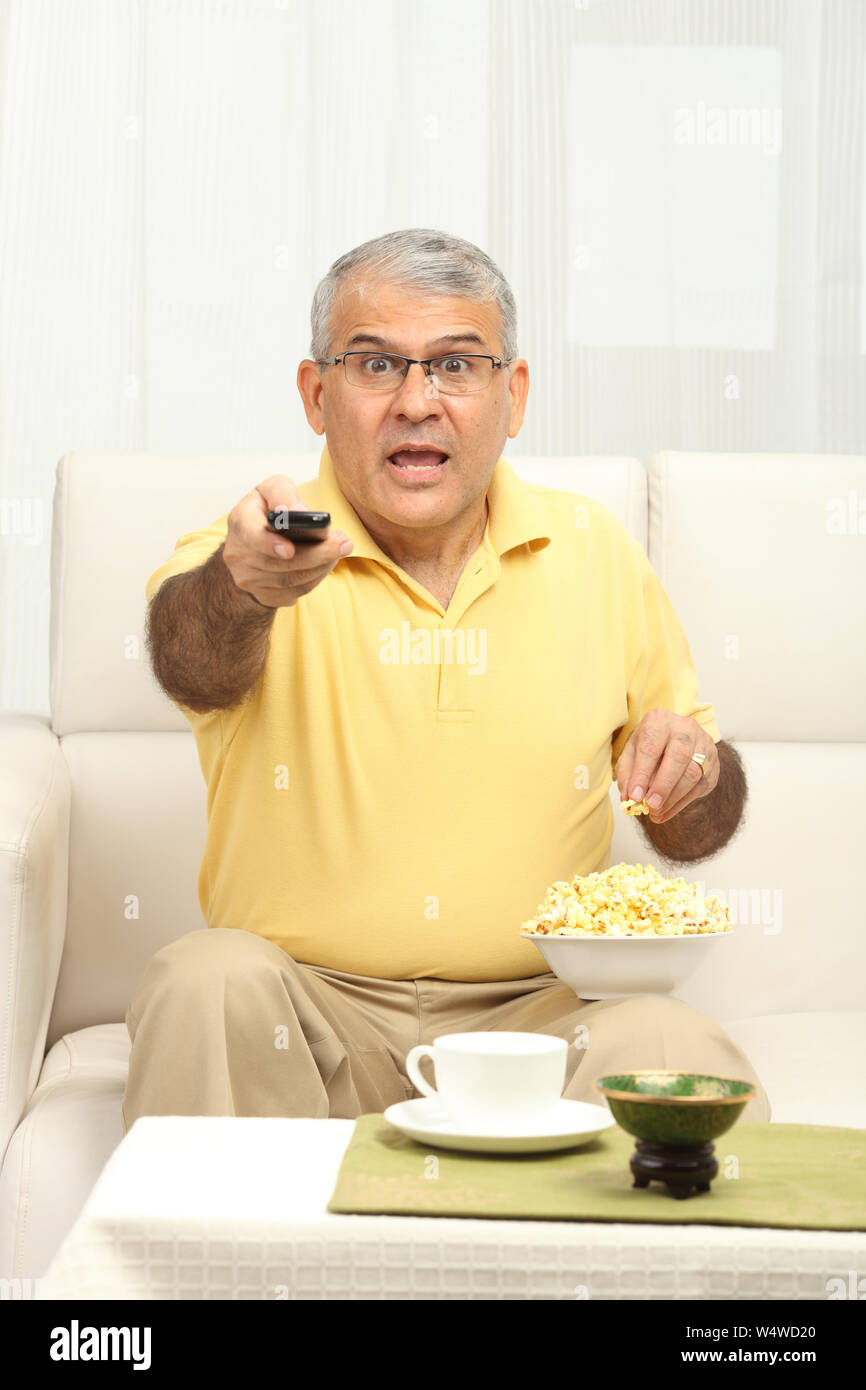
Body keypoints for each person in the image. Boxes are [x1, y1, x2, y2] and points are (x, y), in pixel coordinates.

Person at [122, 228, 770, 1133]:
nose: (418, 402)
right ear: (317, 394)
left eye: (457, 367)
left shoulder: (596, 554)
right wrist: (244, 587)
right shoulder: (256, 552)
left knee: (671, 1047)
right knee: (204, 979)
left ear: (515, 395)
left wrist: (693, 770)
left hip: (542, 1022)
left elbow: (698, 825)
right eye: (376, 365)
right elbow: (190, 657)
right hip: (306, 1021)